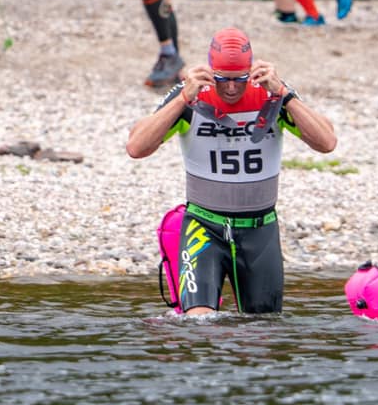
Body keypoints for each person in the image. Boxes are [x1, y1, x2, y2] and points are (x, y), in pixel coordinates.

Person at [126, 27, 337, 314]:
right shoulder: (191, 95)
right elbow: (136, 147)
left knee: (262, 332)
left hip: (259, 231)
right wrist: (182, 99)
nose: (231, 88)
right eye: (222, 79)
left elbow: (327, 142)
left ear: (251, 72)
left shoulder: (271, 93)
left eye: (239, 80)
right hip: (204, 227)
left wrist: (285, 94)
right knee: (199, 327)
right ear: (210, 71)